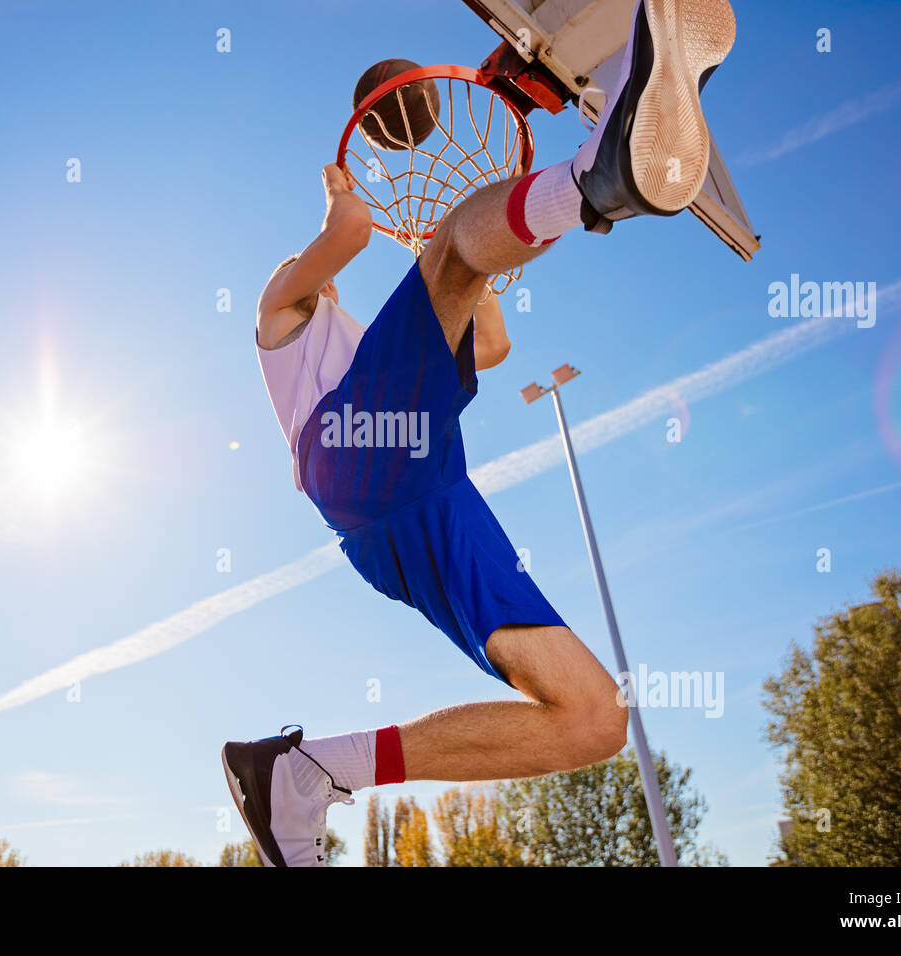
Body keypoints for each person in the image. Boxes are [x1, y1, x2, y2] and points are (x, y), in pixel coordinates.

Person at [224, 0, 736, 866]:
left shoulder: (383, 350)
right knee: (456, 250)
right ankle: (597, 176)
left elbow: (494, 347)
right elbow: (349, 234)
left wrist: (463, 248)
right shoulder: (281, 309)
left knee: (594, 720)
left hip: (412, 501)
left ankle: (306, 771)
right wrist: (343, 199)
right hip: (356, 457)